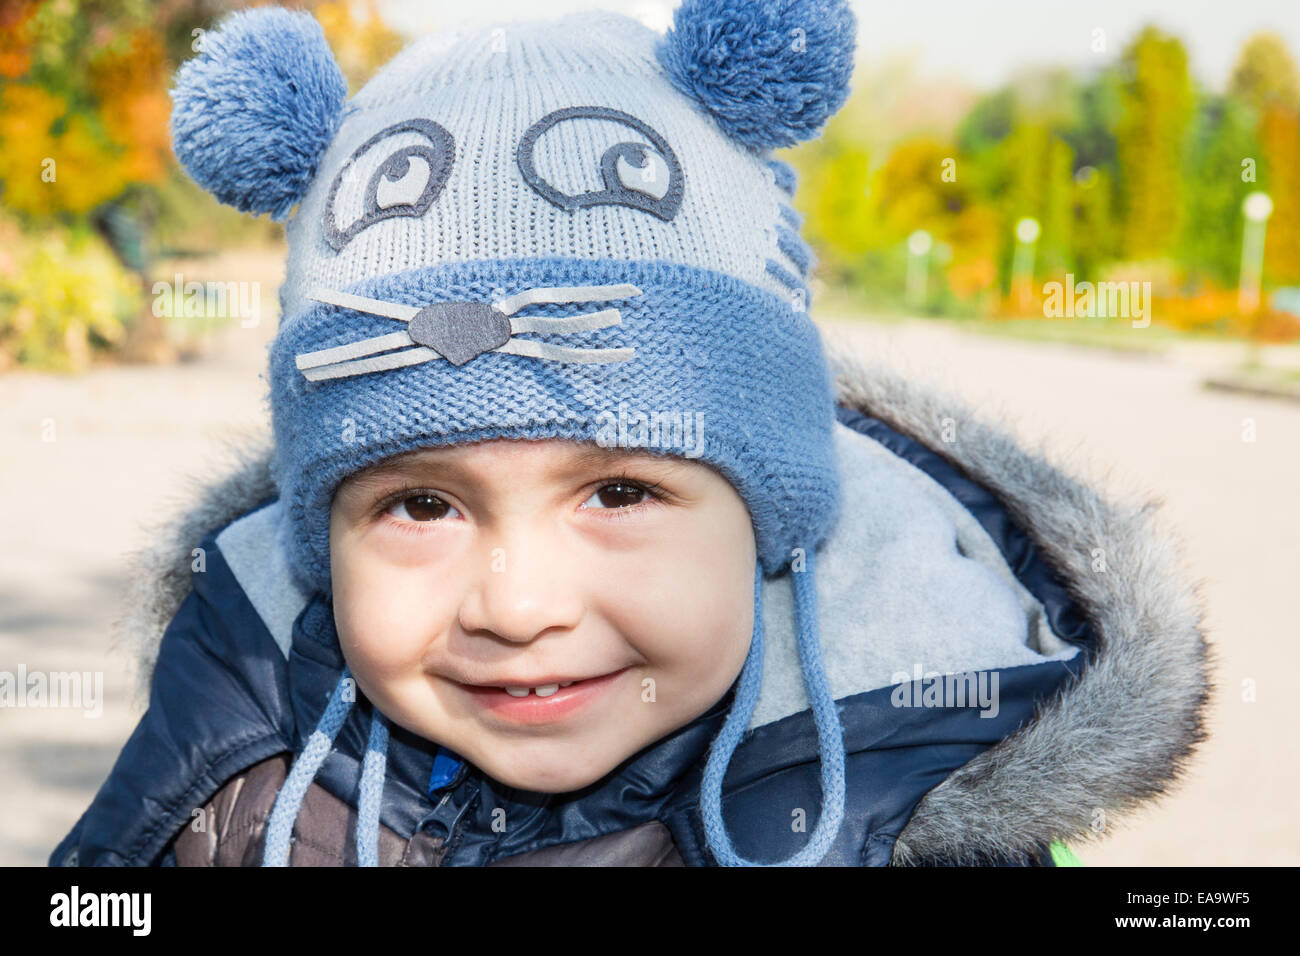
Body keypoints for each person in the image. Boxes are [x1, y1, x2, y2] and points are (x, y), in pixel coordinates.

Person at [50, 0, 1211, 867]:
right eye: (420, 503)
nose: (516, 604)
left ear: (768, 515)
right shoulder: (223, 759)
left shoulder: (918, 799)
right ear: (322, 537)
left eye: (617, 493)